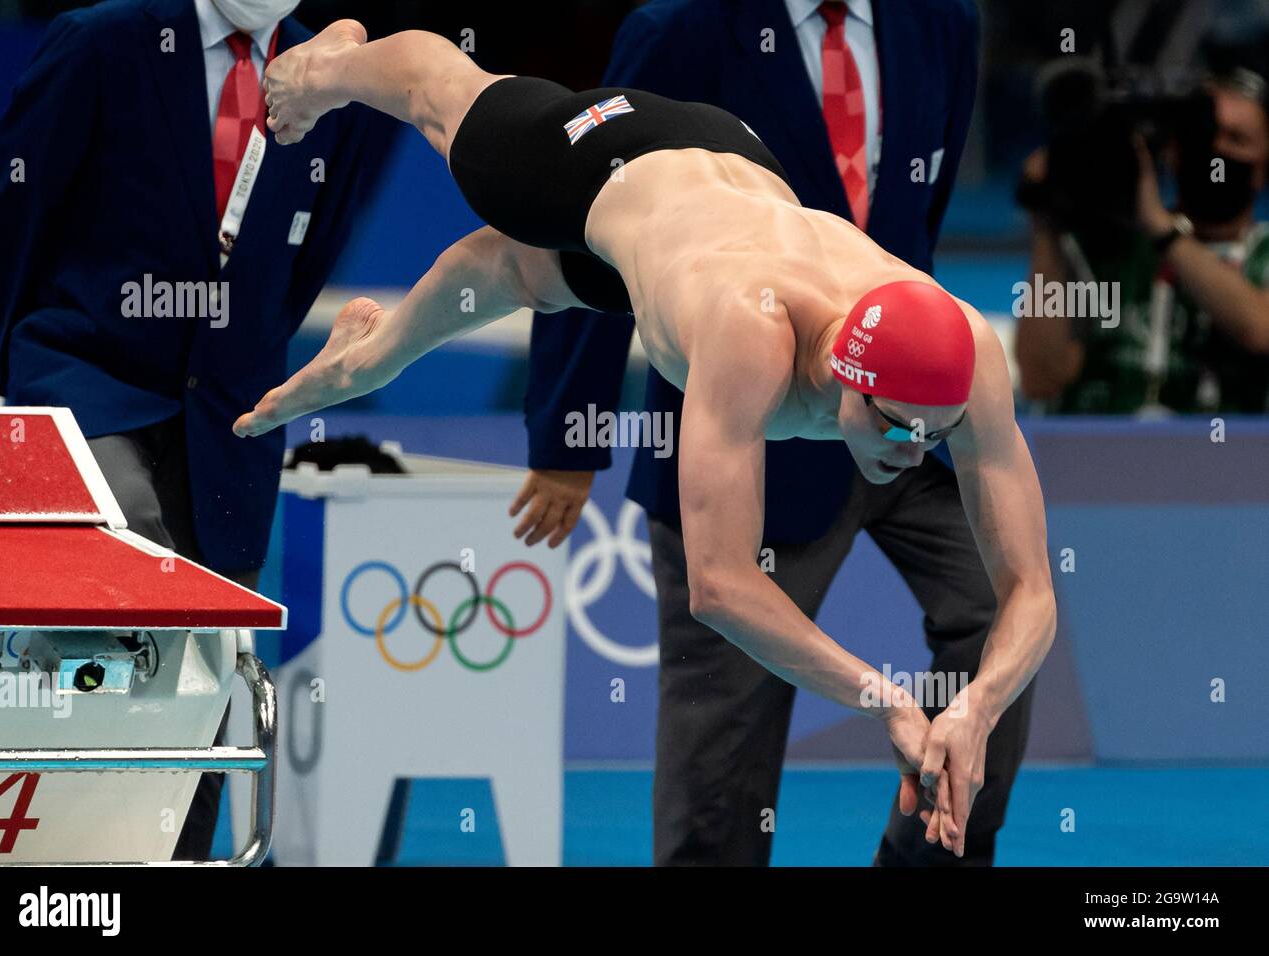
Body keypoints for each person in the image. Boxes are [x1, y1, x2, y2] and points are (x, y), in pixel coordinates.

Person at [234, 22, 1058, 854]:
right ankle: (335, 60)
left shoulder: (969, 352)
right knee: (446, 104)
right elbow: (722, 586)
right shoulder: (751, 332)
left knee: (517, 275)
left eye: (935, 434)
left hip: (736, 166)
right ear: (845, 374)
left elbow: (1031, 589)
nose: (916, 454)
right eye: (900, 429)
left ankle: (366, 355)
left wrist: (975, 706)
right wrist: (886, 700)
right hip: (613, 166)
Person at [511, 0, 1032, 867]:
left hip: (910, 418)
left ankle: (931, 851)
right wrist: (569, 435)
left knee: (997, 623)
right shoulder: (683, 26)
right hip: (750, 413)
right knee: (725, 736)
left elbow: (919, 212)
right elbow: (595, 223)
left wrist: (923, 375)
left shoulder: (941, 19)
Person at [0, 0, 385, 860]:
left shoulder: (330, 77)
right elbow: (9, 208)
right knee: (131, 600)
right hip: (88, 382)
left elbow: (305, 257)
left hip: (231, 415)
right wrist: (36, 381)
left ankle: (176, 862)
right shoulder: (105, 39)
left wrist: (244, 352)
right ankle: (61, 867)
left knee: (204, 676)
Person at [1017, 67, 1269, 412]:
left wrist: (1158, 224)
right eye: (1205, 134)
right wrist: (1047, 223)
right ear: (1172, 149)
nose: (1216, 149)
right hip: (1096, 459)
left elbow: (1259, 329)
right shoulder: (1101, 249)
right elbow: (1040, 377)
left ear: (1263, 166)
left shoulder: (1264, 251)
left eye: (1236, 139)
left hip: (1228, 462)